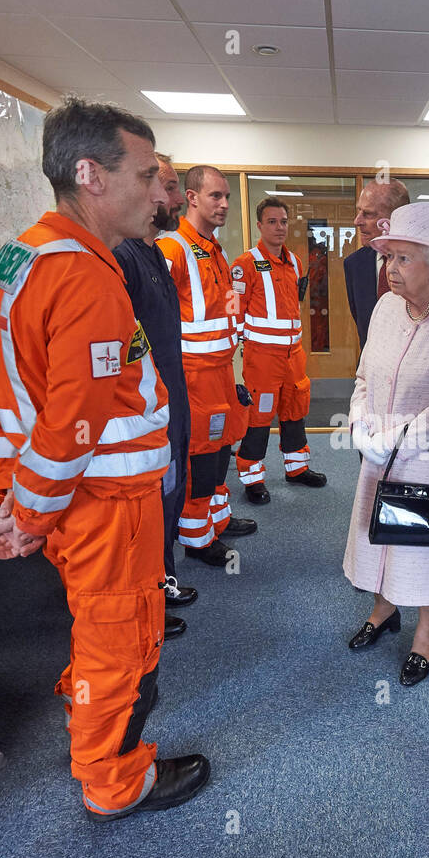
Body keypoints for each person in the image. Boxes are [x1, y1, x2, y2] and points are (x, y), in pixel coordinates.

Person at [0, 97, 208, 822]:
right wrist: (31, 517)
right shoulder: (81, 274)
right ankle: (115, 780)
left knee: (95, 626)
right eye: (144, 176)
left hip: (63, 497)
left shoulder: (18, 254)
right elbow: (72, 421)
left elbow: (19, 397)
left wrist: (21, 501)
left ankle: (92, 733)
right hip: (105, 503)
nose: (158, 194)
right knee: (121, 635)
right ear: (89, 174)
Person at [342, 202, 429, 687]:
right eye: (388, 258)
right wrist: (361, 423)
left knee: (423, 544)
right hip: (378, 448)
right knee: (379, 532)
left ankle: (427, 632)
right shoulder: (384, 307)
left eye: (403, 259)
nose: (390, 270)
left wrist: (395, 442)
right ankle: (384, 610)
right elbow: (364, 375)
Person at [112, 152, 197, 635]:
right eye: (161, 184)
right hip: (147, 409)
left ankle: (161, 579)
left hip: (173, 395)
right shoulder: (123, 256)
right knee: (152, 502)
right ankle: (146, 602)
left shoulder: (153, 252)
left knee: (171, 492)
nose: (170, 197)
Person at [158, 165, 258, 566]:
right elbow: (150, 315)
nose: (225, 204)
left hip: (220, 370)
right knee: (200, 455)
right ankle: (197, 539)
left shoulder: (214, 250)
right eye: (216, 196)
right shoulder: (173, 248)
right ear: (192, 197)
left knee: (221, 447)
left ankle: (217, 519)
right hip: (192, 375)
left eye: (228, 197)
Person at [233, 196, 327, 503]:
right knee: (259, 417)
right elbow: (233, 311)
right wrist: (236, 348)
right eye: (272, 222)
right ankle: (252, 478)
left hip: (293, 355)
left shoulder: (296, 262)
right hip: (262, 358)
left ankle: (296, 469)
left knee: (295, 409)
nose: (279, 227)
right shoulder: (244, 265)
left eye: (283, 222)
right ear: (260, 226)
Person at [343, 179, 429, 349]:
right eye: (359, 211)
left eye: (368, 214)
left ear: (396, 215)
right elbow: (362, 325)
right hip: (373, 370)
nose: (357, 221)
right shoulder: (354, 265)